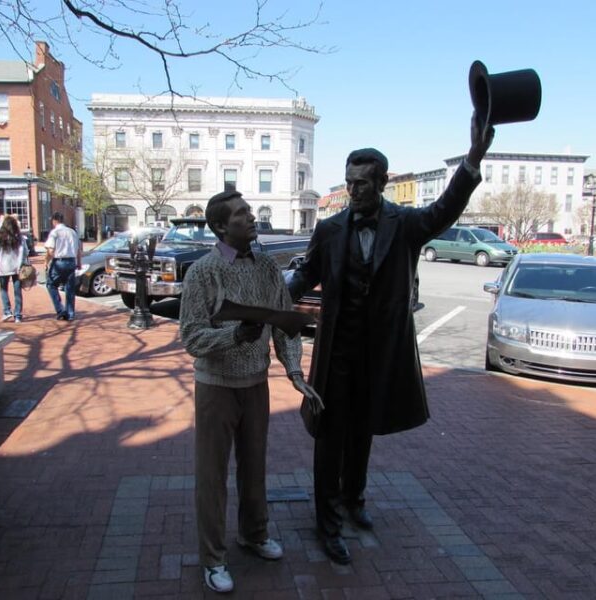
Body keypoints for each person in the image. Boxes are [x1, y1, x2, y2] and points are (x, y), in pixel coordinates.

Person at [287, 113, 494, 565]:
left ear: (380, 182)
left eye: (362, 183)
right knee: (329, 436)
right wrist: (279, 293)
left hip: (380, 352)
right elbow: (308, 272)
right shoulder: (330, 228)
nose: (353, 191)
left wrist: (473, 158)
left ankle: (353, 499)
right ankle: (327, 522)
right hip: (336, 352)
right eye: (349, 183)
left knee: (363, 430)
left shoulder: (404, 225)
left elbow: (445, 210)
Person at [179, 190, 320, 594]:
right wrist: (234, 335)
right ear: (222, 226)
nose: (252, 218)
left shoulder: (268, 268)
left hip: (256, 384)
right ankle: (213, 558)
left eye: (250, 212)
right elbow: (190, 337)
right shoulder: (203, 272)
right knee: (212, 475)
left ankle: (254, 534)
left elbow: (283, 324)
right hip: (215, 388)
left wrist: (294, 371)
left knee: (254, 466)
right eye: (242, 215)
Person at [0, 215, 29, 323]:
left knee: (3, 289)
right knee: (17, 291)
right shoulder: (19, 238)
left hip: (3, 267)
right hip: (17, 267)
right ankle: (18, 315)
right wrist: (23, 262)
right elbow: (25, 251)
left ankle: (7, 311)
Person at [44, 211, 82, 321]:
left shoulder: (55, 232)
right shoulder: (72, 232)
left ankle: (60, 309)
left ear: (54, 221)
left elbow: (50, 250)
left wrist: (47, 261)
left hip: (59, 261)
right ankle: (70, 313)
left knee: (51, 284)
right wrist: (79, 263)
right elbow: (78, 250)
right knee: (70, 288)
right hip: (71, 261)